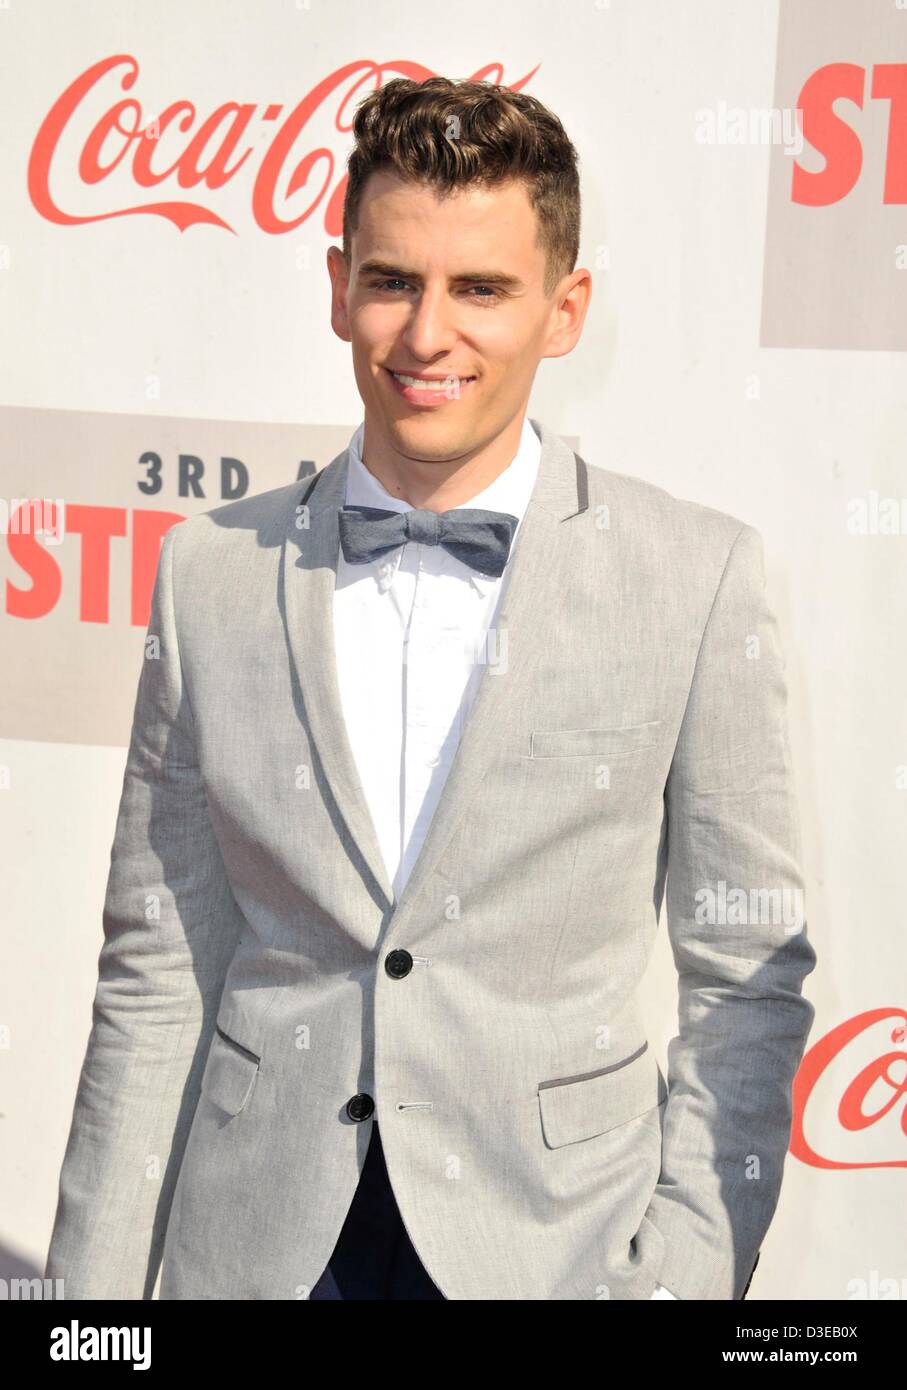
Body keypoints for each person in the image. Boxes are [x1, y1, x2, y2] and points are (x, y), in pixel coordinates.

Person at [45, 75, 817, 1301]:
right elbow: (158, 971)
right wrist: (84, 1315)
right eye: (394, 281)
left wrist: (679, 1278)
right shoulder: (208, 574)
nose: (426, 335)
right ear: (338, 286)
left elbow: (747, 971)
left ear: (564, 310)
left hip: (555, 1255)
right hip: (255, 1252)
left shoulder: (693, 577)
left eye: (482, 290)